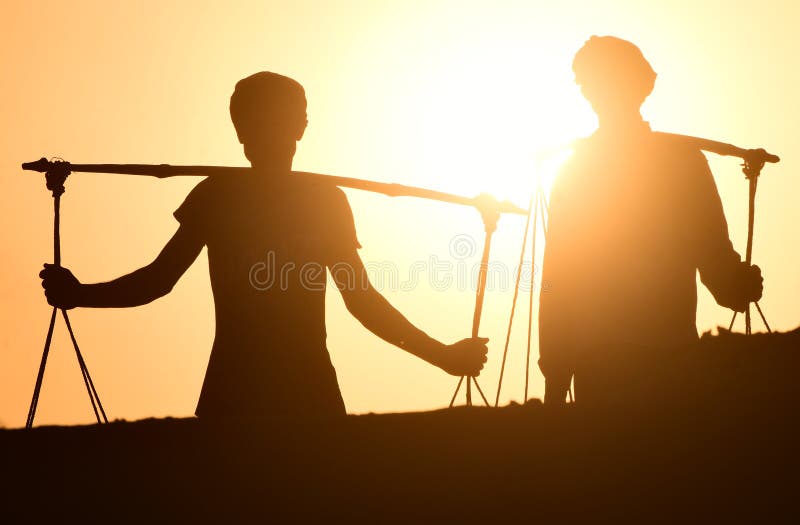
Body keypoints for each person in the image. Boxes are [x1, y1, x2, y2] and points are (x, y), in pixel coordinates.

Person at [40, 71, 488, 420]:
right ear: (243, 132)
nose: (270, 134)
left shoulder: (307, 200)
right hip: (252, 393)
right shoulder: (225, 196)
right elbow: (159, 280)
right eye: (261, 123)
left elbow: (362, 302)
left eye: (280, 121)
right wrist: (79, 295)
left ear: (300, 127)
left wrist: (444, 356)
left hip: (286, 393)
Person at [538, 36, 763, 406]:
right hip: (625, 361)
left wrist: (739, 285)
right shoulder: (675, 162)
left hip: (652, 359)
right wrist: (555, 376)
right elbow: (558, 282)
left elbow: (715, 262)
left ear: (641, 85)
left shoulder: (673, 164)